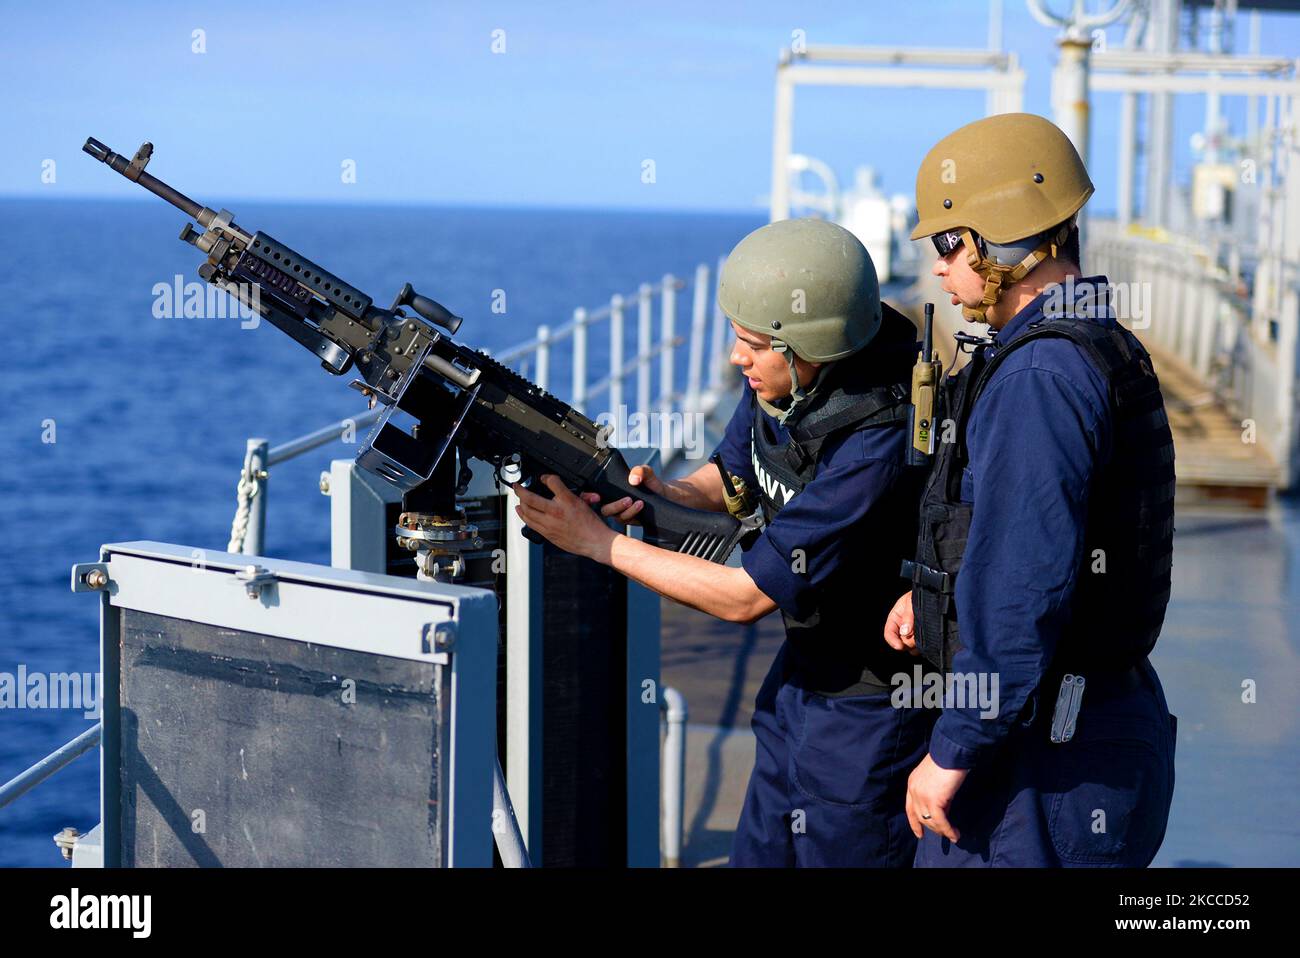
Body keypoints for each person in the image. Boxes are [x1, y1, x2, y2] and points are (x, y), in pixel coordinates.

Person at [513, 217, 932, 866]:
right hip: (800, 679)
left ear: (807, 348)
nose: (738, 359)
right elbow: (727, 477)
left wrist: (597, 543)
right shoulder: (786, 389)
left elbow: (744, 598)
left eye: (752, 345)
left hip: (869, 708)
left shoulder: (874, 441)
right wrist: (657, 495)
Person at [884, 112, 1178, 867]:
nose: (941, 266)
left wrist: (951, 753)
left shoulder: (1039, 378)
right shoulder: (1098, 339)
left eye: (951, 242)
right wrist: (934, 597)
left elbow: (1025, 585)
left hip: (1040, 770)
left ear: (1007, 239)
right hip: (1089, 738)